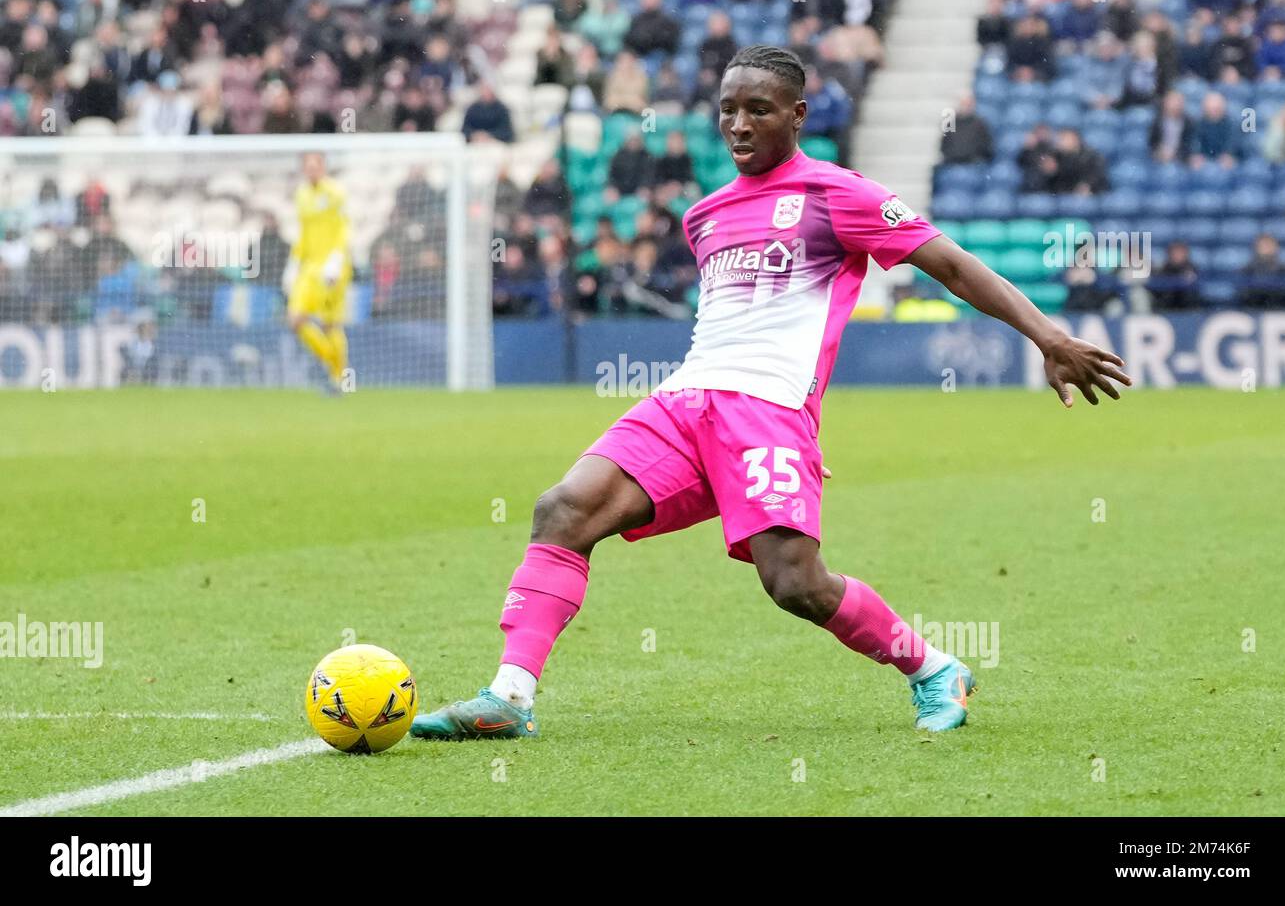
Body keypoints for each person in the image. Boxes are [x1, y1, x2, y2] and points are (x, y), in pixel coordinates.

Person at [410, 46, 1130, 743]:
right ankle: (509, 696)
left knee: (794, 583)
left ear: (798, 114)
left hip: (766, 411)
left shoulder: (839, 195)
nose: (739, 124)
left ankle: (935, 668)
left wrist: (1049, 337)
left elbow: (954, 265)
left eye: (759, 109)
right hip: (685, 401)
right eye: (727, 110)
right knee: (562, 509)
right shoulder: (705, 217)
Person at [281, 152, 353, 393]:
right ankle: (334, 367)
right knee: (295, 318)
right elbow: (303, 231)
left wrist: (337, 258)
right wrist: (294, 262)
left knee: (330, 324)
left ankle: (338, 379)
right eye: (308, 166)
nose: (312, 170)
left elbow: (344, 228)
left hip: (334, 265)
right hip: (309, 266)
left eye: (316, 166)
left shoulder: (335, 192)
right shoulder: (302, 195)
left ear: (323, 168)